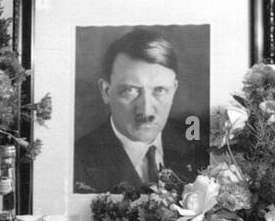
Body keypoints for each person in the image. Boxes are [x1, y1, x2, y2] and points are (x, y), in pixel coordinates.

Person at [72, 28, 206, 193]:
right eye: (130, 90)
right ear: (106, 91)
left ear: (174, 90)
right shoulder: (75, 161)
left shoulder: (198, 147)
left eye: (159, 90)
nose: (146, 111)